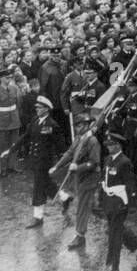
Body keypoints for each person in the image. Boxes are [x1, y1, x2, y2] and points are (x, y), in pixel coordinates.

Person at [100, 132, 137, 271]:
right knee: (116, 229)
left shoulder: (124, 162)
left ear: (118, 145)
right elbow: (104, 180)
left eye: (111, 145)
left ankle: (112, 264)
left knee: (114, 234)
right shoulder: (108, 159)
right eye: (107, 145)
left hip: (119, 202)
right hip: (109, 200)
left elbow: (129, 185)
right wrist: (101, 199)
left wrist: (126, 203)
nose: (108, 147)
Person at [54, 112, 101, 250]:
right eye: (76, 126)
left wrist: (77, 167)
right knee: (90, 206)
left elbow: (94, 162)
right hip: (80, 177)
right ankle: (111, 219)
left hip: (89, 177)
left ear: (87, 125)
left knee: (82, 206)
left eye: (80, 125)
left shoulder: (92, 141)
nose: (77, 128)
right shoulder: (79, 138)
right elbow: (69, 153)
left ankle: (80, 236)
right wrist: (57, 165)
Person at [24, 95, 61, 229]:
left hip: (45, 161)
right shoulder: (35, 121)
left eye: (40, 108)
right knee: (45, 183)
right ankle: (64, 197)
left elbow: (59, 144)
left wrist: (60, 163)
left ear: (46, 109)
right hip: (35, 159)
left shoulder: (52, 125)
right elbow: (25, 137)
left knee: (38, 187)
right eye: (36, 108)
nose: (37, 110)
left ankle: (38, 217)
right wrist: (11, 149)